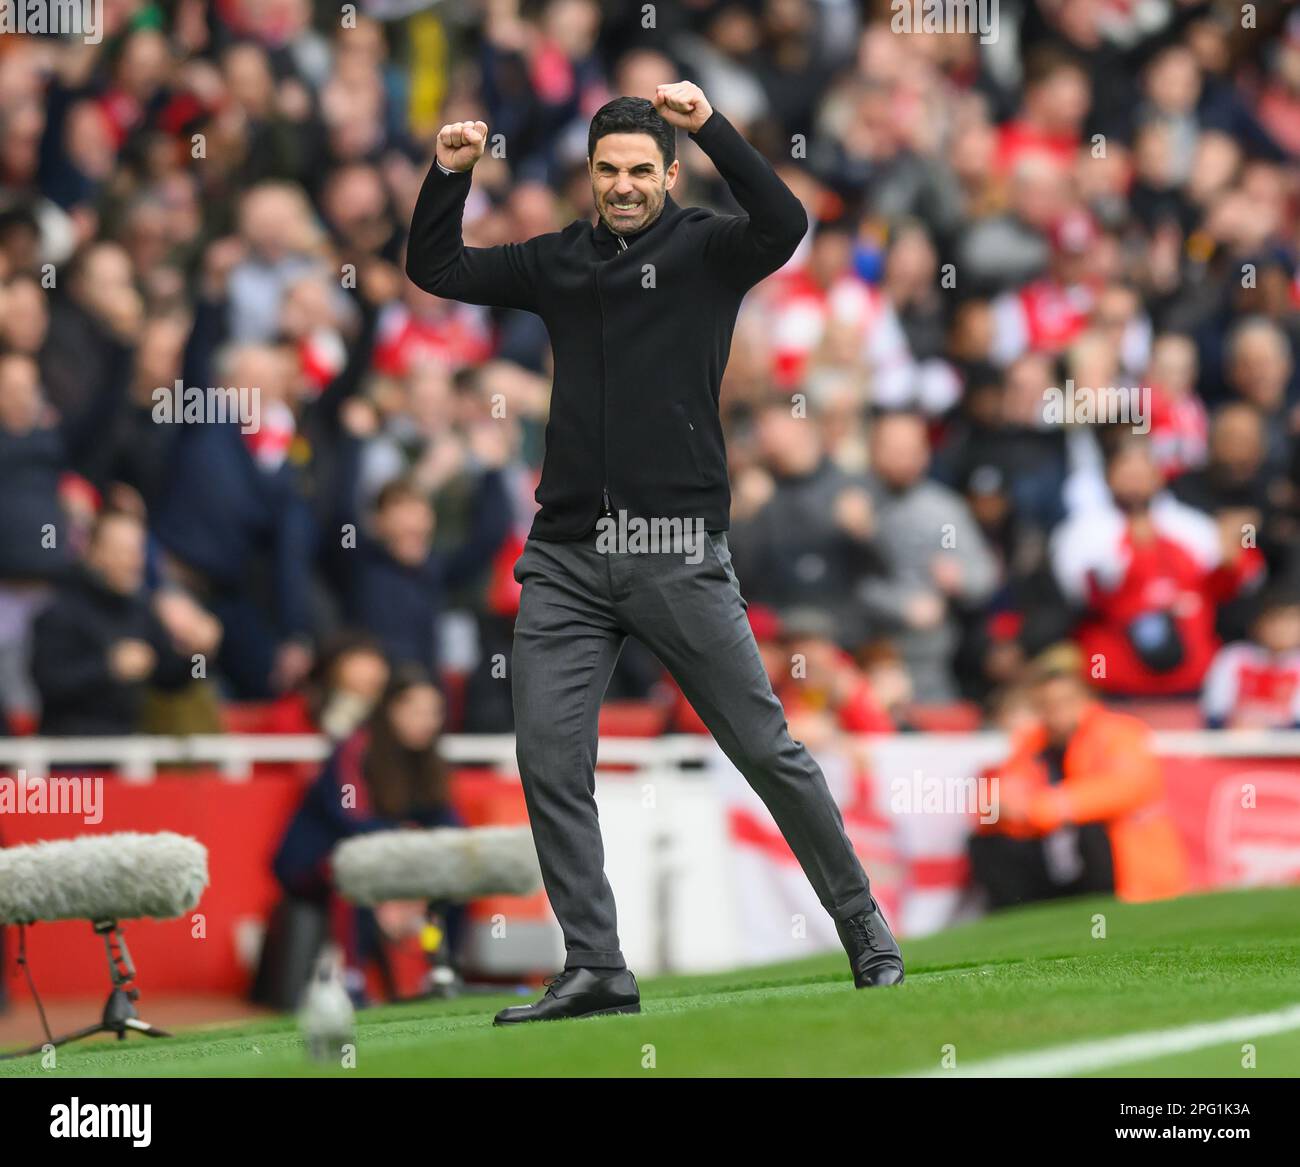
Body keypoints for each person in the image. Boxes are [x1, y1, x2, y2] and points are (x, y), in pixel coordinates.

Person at [407, 82, 903, 1024]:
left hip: (676, 548)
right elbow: (436, 268)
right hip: (561, 555)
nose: (625, 185)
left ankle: (863, 926)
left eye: (641, 170)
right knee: (549, 760)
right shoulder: (556, 259)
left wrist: (711, 123)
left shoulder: (710, 248)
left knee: (764, 746)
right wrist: (449, 172)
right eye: (609, 171)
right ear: (588, 177)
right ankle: (597, 965)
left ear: (670, 173)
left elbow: (787, 218)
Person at [271, 666, 465, 1006]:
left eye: (434, 712)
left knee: (457, 880)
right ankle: (352, 980)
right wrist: (400, 874)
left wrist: (417, 882)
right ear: (391, 709)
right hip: (314, 861)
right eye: (417, 710)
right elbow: (352, 821)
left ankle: (443, 969)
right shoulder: (354, 749)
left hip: (390, 863)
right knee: (355, 878)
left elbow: (449, 825)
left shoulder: (428, 761)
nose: (427, 720)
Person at [969, 644, 1190, 909]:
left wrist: (1044, 808)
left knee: (1092, 827)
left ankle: (1102, 910)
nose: (1055, 713)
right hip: (1055, 853)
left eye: (1063, 701)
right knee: (990, 843)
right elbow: (997, 797)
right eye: (1045, 705)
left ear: (1085, 698)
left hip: (1123, 863)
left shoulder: (1119, 732)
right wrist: (1018, 809)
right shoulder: (1033, 742)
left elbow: (1126, 788)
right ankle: (1021, 918)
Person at [30, 509, 196, 736]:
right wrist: (108, 668)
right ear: (94, 552)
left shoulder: (141, 609)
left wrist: (197, 653)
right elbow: (46, 682)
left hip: (127, 751)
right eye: (123, 552)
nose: (134, 561)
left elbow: (173, 681)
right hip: (70, 754)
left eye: (138, 552)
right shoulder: (60, 609)